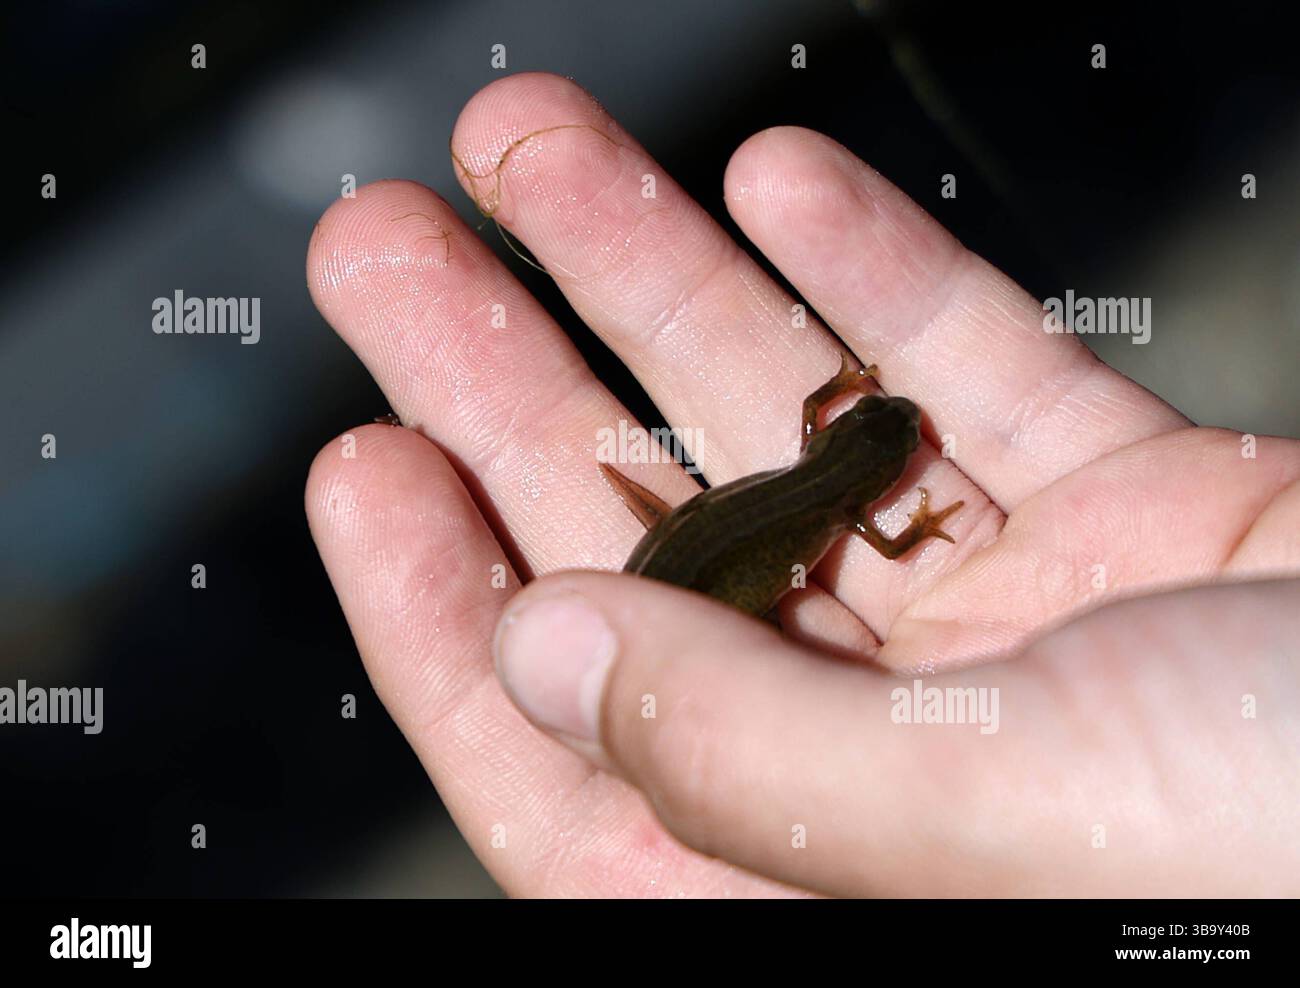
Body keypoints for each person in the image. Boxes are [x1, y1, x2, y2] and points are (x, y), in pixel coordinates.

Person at [304, 73, 1300, 897]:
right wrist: (919, 517)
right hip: (696, 568)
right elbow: (883, 534)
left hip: (699, 554)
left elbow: (823, 433)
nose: (909, 434)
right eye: (893, 433)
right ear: (878, 475)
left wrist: (848, 387)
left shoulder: (827, 471)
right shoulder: (857, 510)